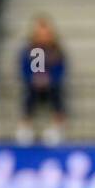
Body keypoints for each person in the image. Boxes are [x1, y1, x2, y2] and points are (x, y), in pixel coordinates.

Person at [17, 15, 67, 145]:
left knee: (57, 94)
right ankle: (25, 127)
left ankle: (56, 127)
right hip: (34, 87)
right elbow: (27, 70)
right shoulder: (31, 50)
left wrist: (50, 80)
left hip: (51, 86)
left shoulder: (56, 51)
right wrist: (34, 79)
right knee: (29, 96)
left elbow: (60, 71)